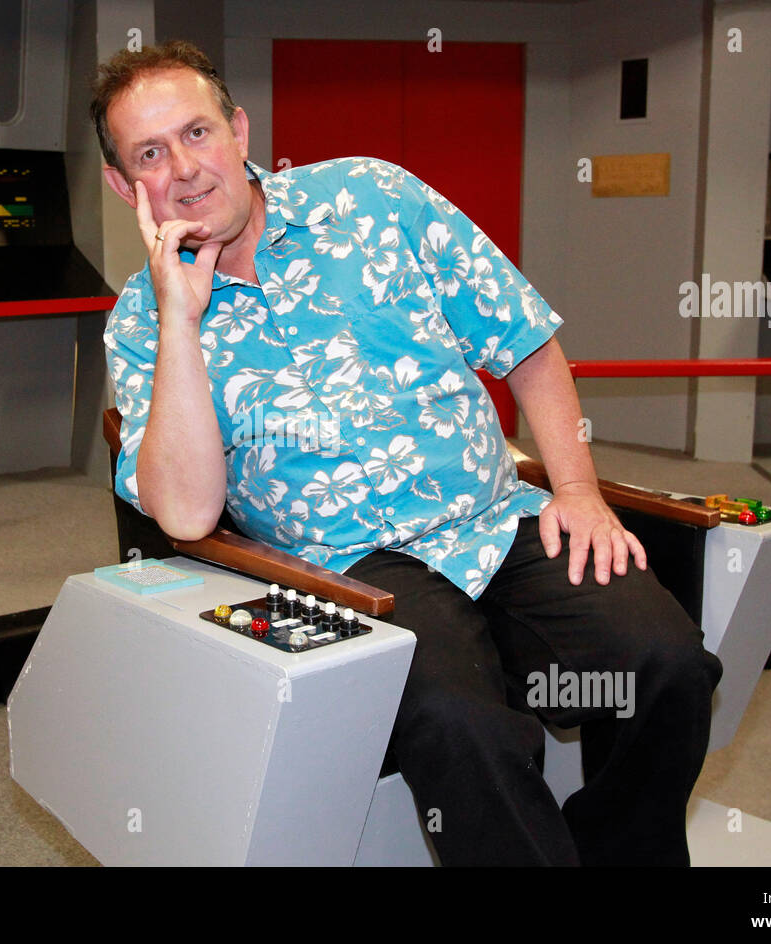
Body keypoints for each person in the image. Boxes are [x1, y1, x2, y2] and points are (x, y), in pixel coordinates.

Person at [93, 40, 722, 865]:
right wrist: (182, 315)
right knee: (462, 729)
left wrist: (578, 490)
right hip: (352, 569)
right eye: (150, 153)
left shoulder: (374, 196)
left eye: (198, 133)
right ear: (123, 186)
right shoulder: (142, 324)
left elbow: (526, 343)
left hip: (497, 518)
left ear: (240, 130)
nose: (185, 168)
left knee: (668, 666)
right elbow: (184, 512)